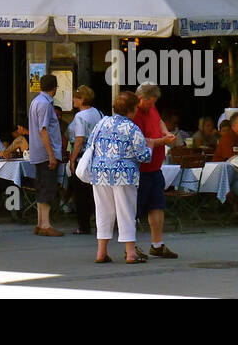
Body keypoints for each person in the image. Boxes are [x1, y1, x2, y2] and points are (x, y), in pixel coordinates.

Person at [89, 91, 153, 265]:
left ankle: (101, 252)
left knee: (103, 211)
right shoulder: (132, 128)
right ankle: (130, 252)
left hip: (100, 172)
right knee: (126, 211)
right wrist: (151, 146)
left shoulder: (102, 123)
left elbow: (90, 145)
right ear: (132, 110)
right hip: (124, 174)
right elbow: (143, 156)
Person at [132, 83, 179, 259]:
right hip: (140, 168)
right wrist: (162, 141)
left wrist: (166, 132)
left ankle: (157, 244)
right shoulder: (135, 113)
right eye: (149, 103)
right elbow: (140, 140)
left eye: (154, 103)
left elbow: (158, 121)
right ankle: (131, 245)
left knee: (157, 205)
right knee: (134, 209)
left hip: (154, 167)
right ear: (140, 98)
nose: (152, 106)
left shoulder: (151, 109)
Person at [28, 74, 64, 236]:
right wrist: (51, 154)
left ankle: (40, 222)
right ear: (54, 87)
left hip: (37, 151)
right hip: (45, 152)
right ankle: (46, 224)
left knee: (41, 187)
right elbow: (44, 130)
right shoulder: (45, 104)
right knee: (48, 188)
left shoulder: (35, 102)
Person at [67, 86, 103, 234]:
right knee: (93, 192)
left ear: (82, 99)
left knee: (80, 193)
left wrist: (72, 159)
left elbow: (79, 139)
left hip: (83, 156)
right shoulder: (98, 113)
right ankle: (98, 221)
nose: (73, 100)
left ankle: (83, 225)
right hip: (97, 155)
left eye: (76, 97)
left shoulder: (80, 116)